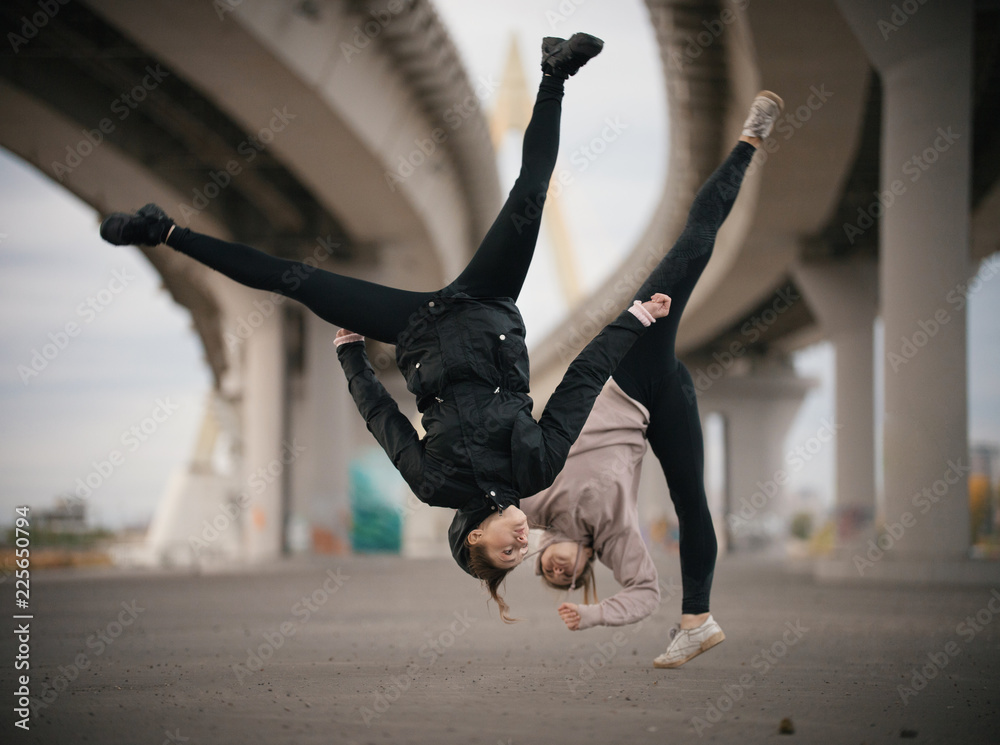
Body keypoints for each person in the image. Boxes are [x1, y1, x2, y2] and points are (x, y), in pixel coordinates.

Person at [100, 33, 667, 560]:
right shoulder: (537, 468)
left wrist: (351, 357)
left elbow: (382, 417)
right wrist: (634, 319)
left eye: (505, 552)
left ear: (474, 537)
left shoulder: (433, 485)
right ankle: (554, 74)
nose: (521, 544)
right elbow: (580, 383)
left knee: (290, 279)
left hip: (416, 328)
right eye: (521, 554)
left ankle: (162, 230)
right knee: (532, 193)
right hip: (487, 303)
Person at [457, 91, 785, 669]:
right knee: (692, 502)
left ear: (539, 555)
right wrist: (594, 614)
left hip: (626, 372)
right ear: (587, 568)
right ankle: (697, 622)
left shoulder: (528, 502)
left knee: (691, 249)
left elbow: (488, 506)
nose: (560, 572)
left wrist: (471, 526)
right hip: (661, 404)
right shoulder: (615, 544)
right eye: (571, 579)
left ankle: (749, 141)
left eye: (548, 572)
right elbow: (642, 594)